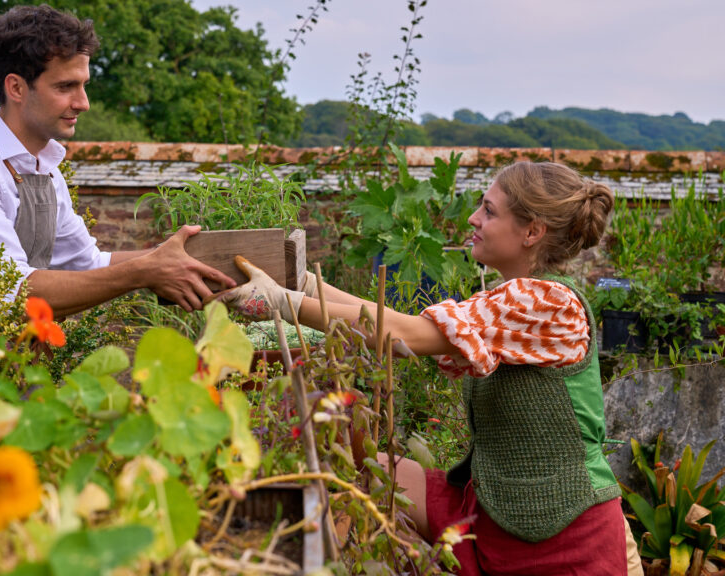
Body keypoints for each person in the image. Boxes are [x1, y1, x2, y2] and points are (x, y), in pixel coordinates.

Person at [218, 161, 642, 575]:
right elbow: (402, 327)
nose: (473, 219)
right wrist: (309, 287)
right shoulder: (510, 300)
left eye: (489, 211)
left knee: (373, 476)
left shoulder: (548, 303)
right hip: (498, 515)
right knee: (371, 471)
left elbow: (405, 334)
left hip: (569, 541)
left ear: (532, 231)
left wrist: (282, 303)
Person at [0, 4, 233, 317]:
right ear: (16, 88)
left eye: (83, 85)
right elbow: (6, 292)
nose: (83, 103)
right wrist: (143, 272)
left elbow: (87, 263)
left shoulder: (43, 168)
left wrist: (176, 258)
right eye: (66, 87)